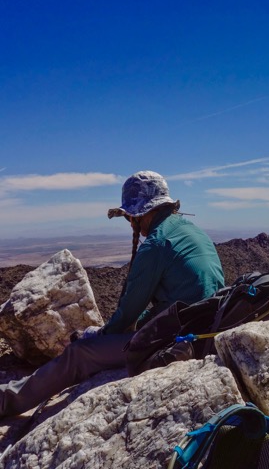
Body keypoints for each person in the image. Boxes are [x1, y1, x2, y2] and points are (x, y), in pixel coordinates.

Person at [0, 171, 224, 419]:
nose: (129, 222)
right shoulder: (193, 232)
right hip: (204, 328)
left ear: (140, 213)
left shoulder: (156, 244)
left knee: (80, 353)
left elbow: (129, 311)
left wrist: (98, 337)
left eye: (129, 215)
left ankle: (7, 401)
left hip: (176, 339)